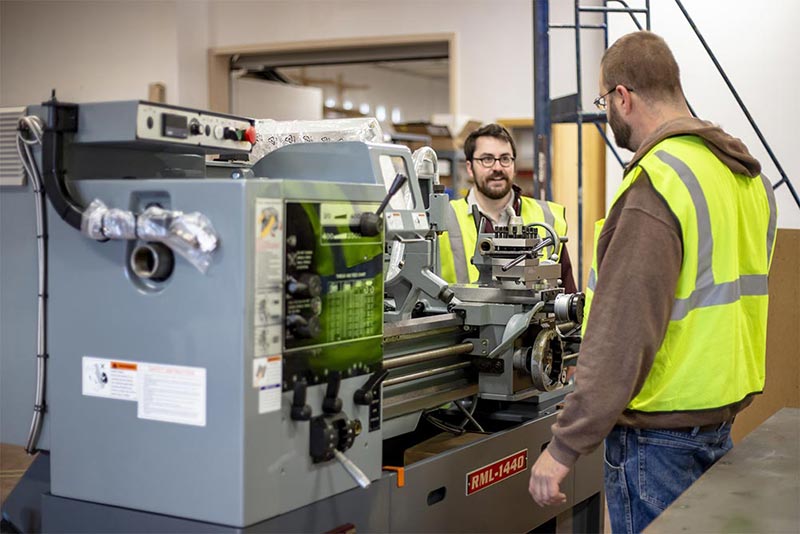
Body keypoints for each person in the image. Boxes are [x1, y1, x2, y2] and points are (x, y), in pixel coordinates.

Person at [527, 31, 777, 533]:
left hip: (657, 446)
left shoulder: (658, 183)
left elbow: (623, 333)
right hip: (717, 424)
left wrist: (564, 446)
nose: (605, 114)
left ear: (623, 96)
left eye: (603, 101)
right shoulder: (746, 178)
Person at [439, 123, 576, 292]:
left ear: (513, 165)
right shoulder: (443, 219)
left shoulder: (547, 218)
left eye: (505, 159)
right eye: (487, 159)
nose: (497, 168)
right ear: (470, 168)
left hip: (533, 318)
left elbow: (567, 291)